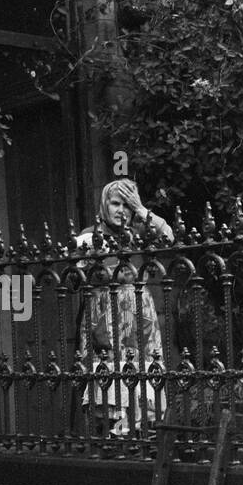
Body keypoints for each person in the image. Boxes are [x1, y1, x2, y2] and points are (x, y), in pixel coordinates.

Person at [73, 179, 173, 436]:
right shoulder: (90, 234)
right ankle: (112, 439)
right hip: (103, 314)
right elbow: (75, 278)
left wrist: (141, 209)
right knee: (108, 382)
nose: (121, 210)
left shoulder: (141, 230)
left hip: (139, 313)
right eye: (115, 203)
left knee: (142, 374)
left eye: (126, 205)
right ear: (104, 204)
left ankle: (141, 435)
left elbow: (169, 238)